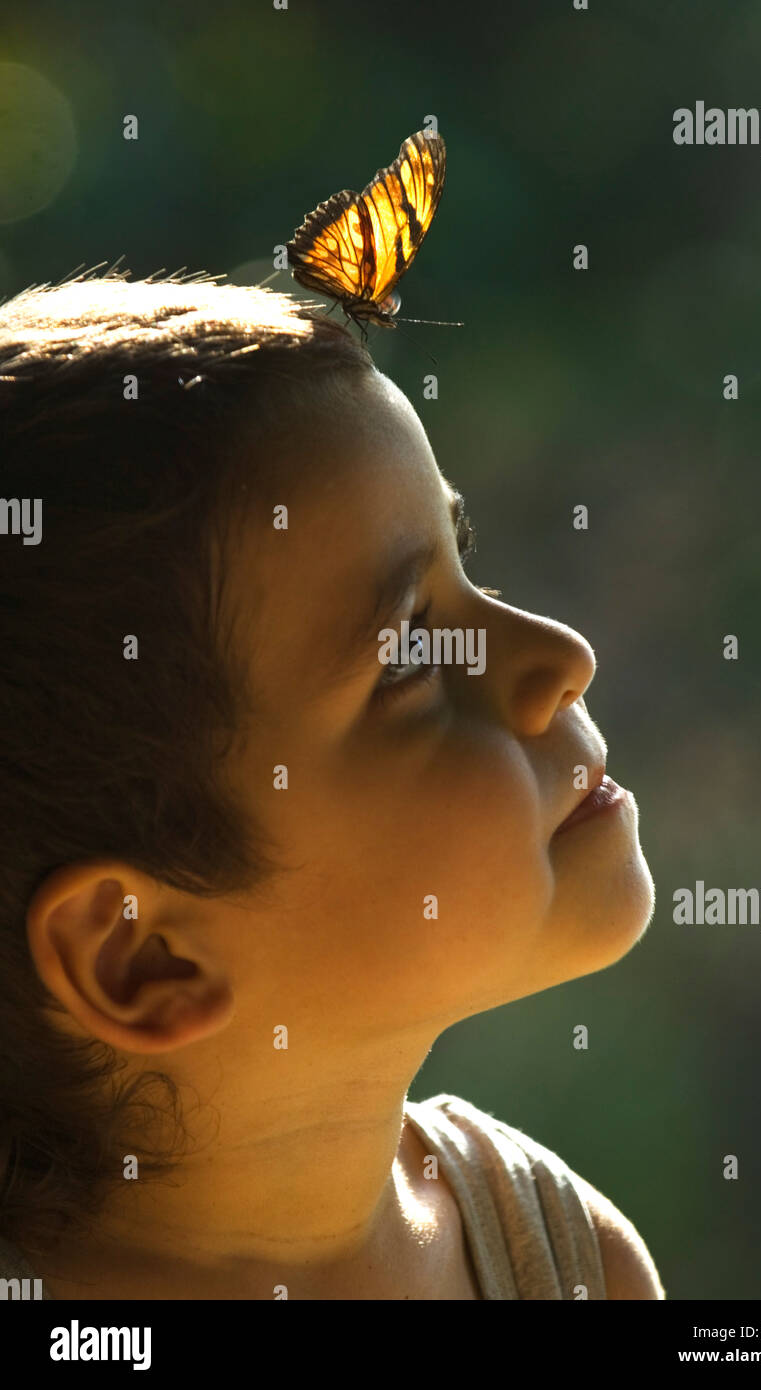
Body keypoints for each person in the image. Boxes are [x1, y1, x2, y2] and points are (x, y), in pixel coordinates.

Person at [0, 272, 664, 1300]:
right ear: (140, 952)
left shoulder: (564, 1260)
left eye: (467, 565)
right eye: (405, 650)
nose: (559, 653)